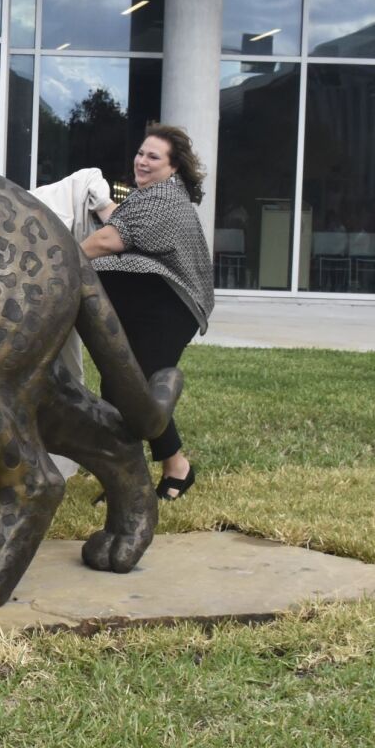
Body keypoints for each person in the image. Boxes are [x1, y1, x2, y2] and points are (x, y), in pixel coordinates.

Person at [81, 124, 214, 500]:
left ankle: (176, 468)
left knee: (138, 390)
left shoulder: (165, 200)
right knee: (119, 385)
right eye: (141, 153)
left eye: (153, 157)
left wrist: (57, 257)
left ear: (174, 168)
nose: (142, 160)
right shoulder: (150, 195)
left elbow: (110, 238)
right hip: (150, 305)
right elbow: (118, 218)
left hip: (171, 307)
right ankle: (129, 474)